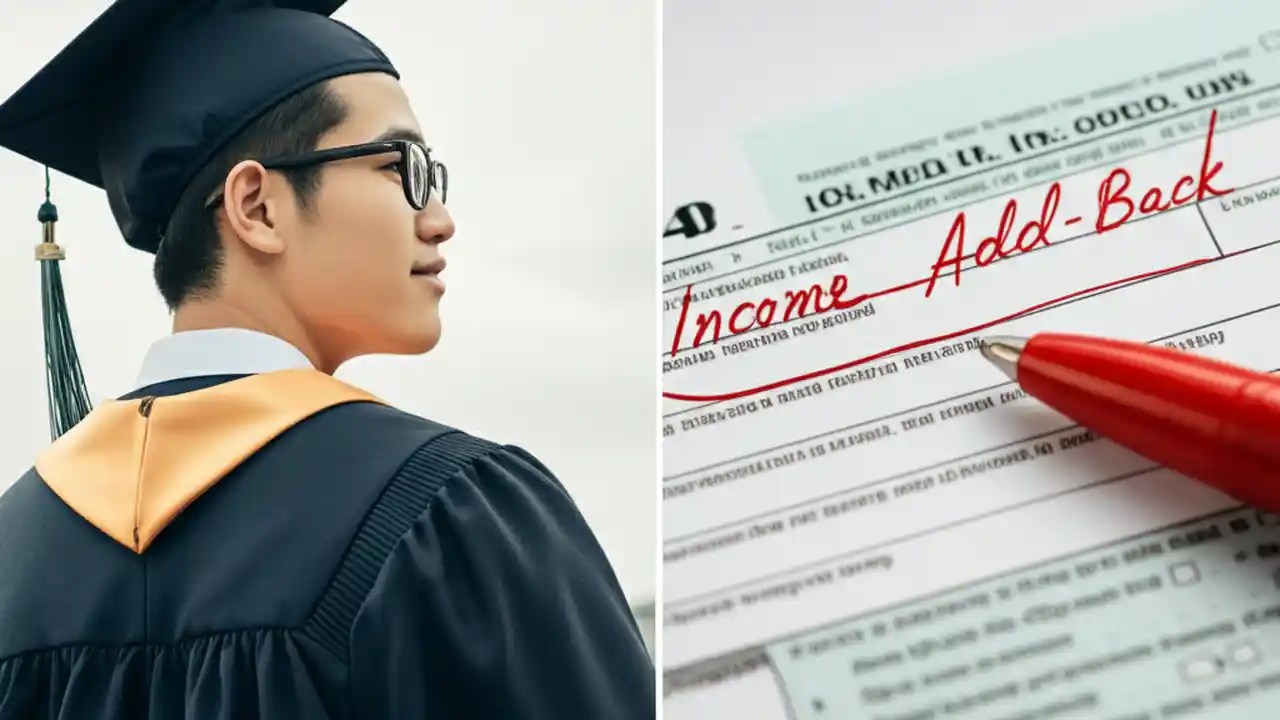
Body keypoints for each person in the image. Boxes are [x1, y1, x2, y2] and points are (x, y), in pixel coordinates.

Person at [0, 0, 654, 717]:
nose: (438, 219)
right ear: (257, 207)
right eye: (399, 166)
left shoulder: (13, 558)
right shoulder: (451, 514)